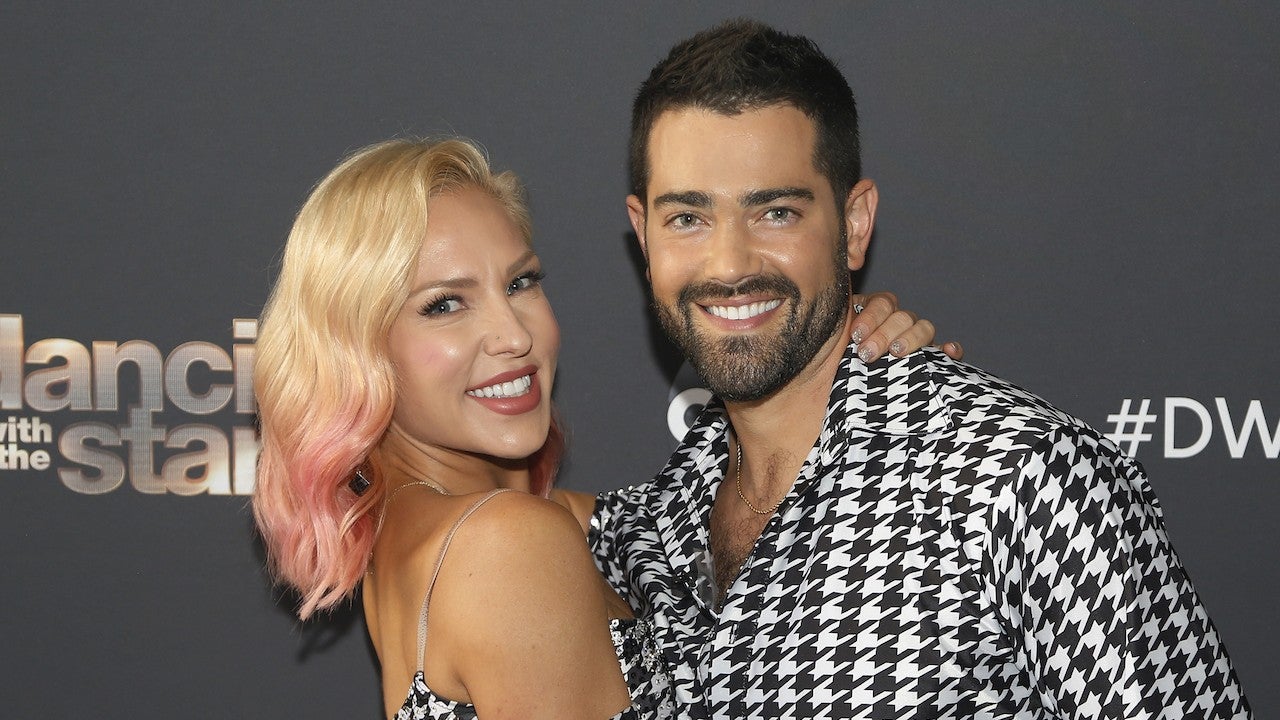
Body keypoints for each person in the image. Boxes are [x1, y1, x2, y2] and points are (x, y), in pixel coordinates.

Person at [591, 19, 1251, 720]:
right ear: (644, 235)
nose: (729, 265)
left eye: (776, 212)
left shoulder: (1020, 479)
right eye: (688, 219)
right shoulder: (650, 526)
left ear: (854, 225)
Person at [250, 137, 946, 719]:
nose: (513, 335)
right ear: (359, 351)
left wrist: (834, 345)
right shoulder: (505, 543)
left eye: (520, 283)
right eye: (444, 306)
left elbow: (693, 524)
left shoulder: (431, 526)